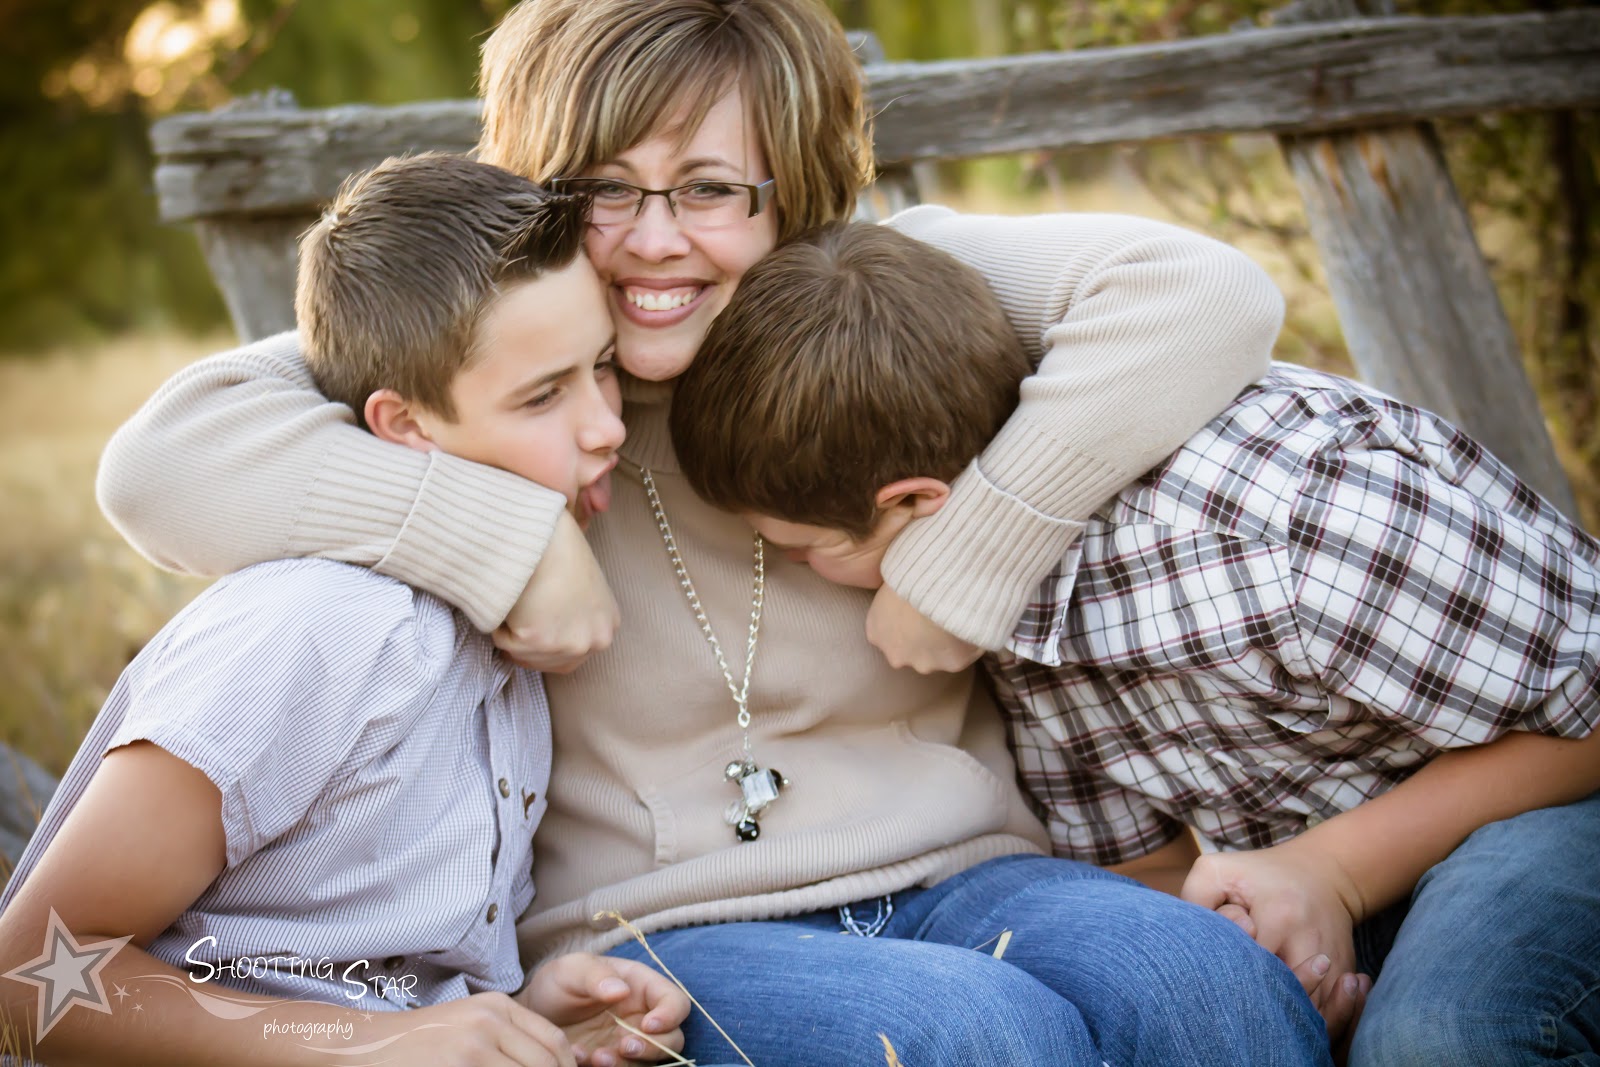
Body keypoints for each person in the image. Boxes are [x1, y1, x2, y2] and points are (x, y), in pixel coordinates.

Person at [94, 1, 1340, 1062]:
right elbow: (162, 462)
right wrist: (502, 537)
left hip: (970, 868)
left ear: (793, 189)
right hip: (652, 927)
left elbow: (1199, 292)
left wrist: (973, 557)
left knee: (1204, 987)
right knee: (971, 1035)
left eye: (707, 190)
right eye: (602, 192)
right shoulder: (503, 366)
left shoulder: (874, 300)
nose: (651, 243)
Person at [669, 219, 1600, 1065]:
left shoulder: (1283, 523)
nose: (796, 571)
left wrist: (1336, 873)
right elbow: (1140, 862)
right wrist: (1264, 944)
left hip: (1548, 809)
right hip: (1350, 873)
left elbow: (1587, 708)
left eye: (803, 550)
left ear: (915, 504)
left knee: (1439, 1041)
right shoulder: (993, 619)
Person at [0, 154, 693, 1067]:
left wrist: (522, 1010)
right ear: (404, 428)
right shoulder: (322, 630)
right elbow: (28, 981)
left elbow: (369, 971)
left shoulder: (496, 648)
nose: (607, 424)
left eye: (601, 368)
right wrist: (367, 1044)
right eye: (543, 395)